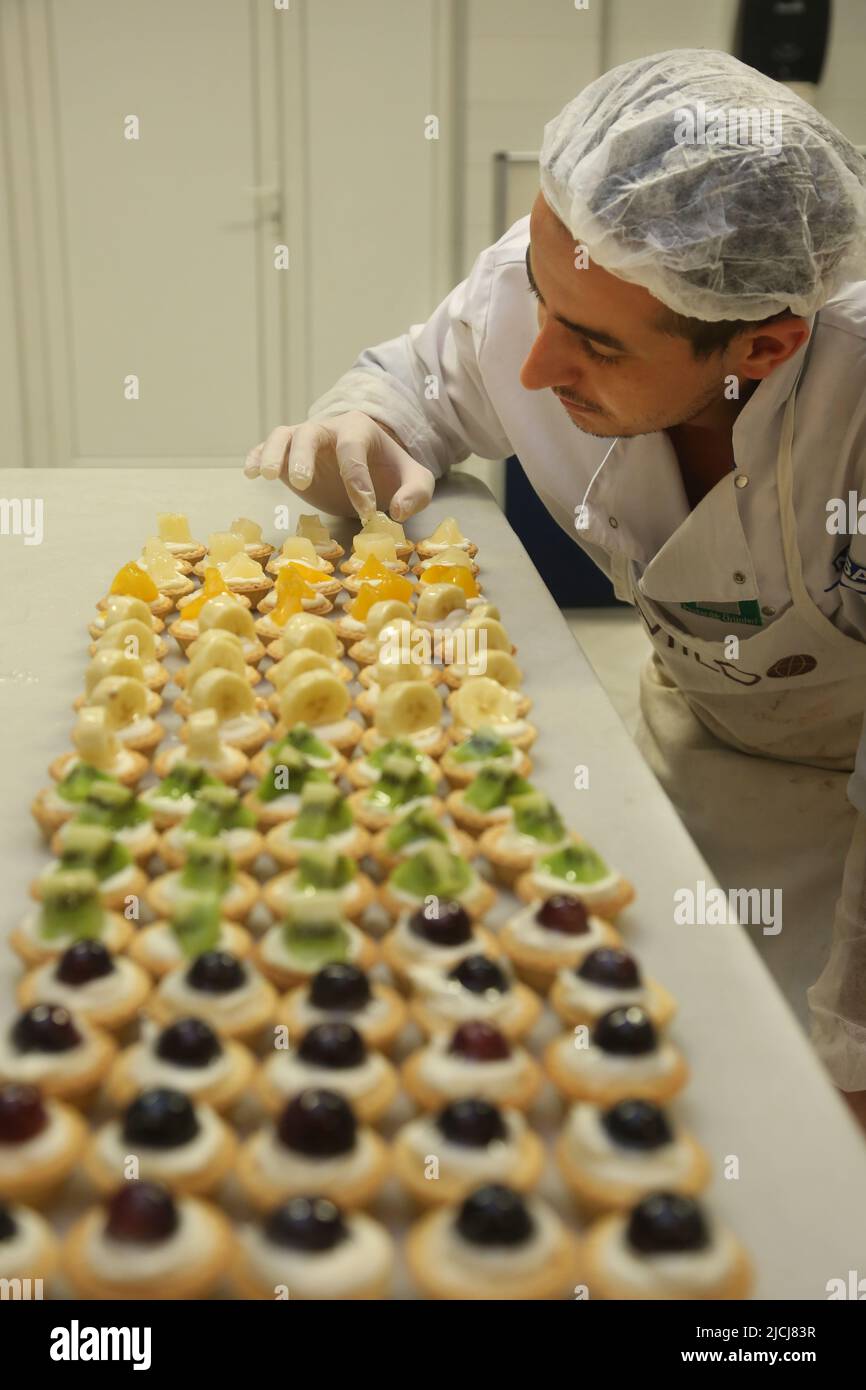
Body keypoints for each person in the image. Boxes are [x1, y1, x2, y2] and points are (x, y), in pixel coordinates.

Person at [244, 49, 866, 1125]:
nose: (531, 367)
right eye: (538, 294)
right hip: (696, 738)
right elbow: (422, 378)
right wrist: (368, 428)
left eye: (588, 344)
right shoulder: (575, 271)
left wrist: (853, 1048)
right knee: (671, 1054)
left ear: (762, 346)